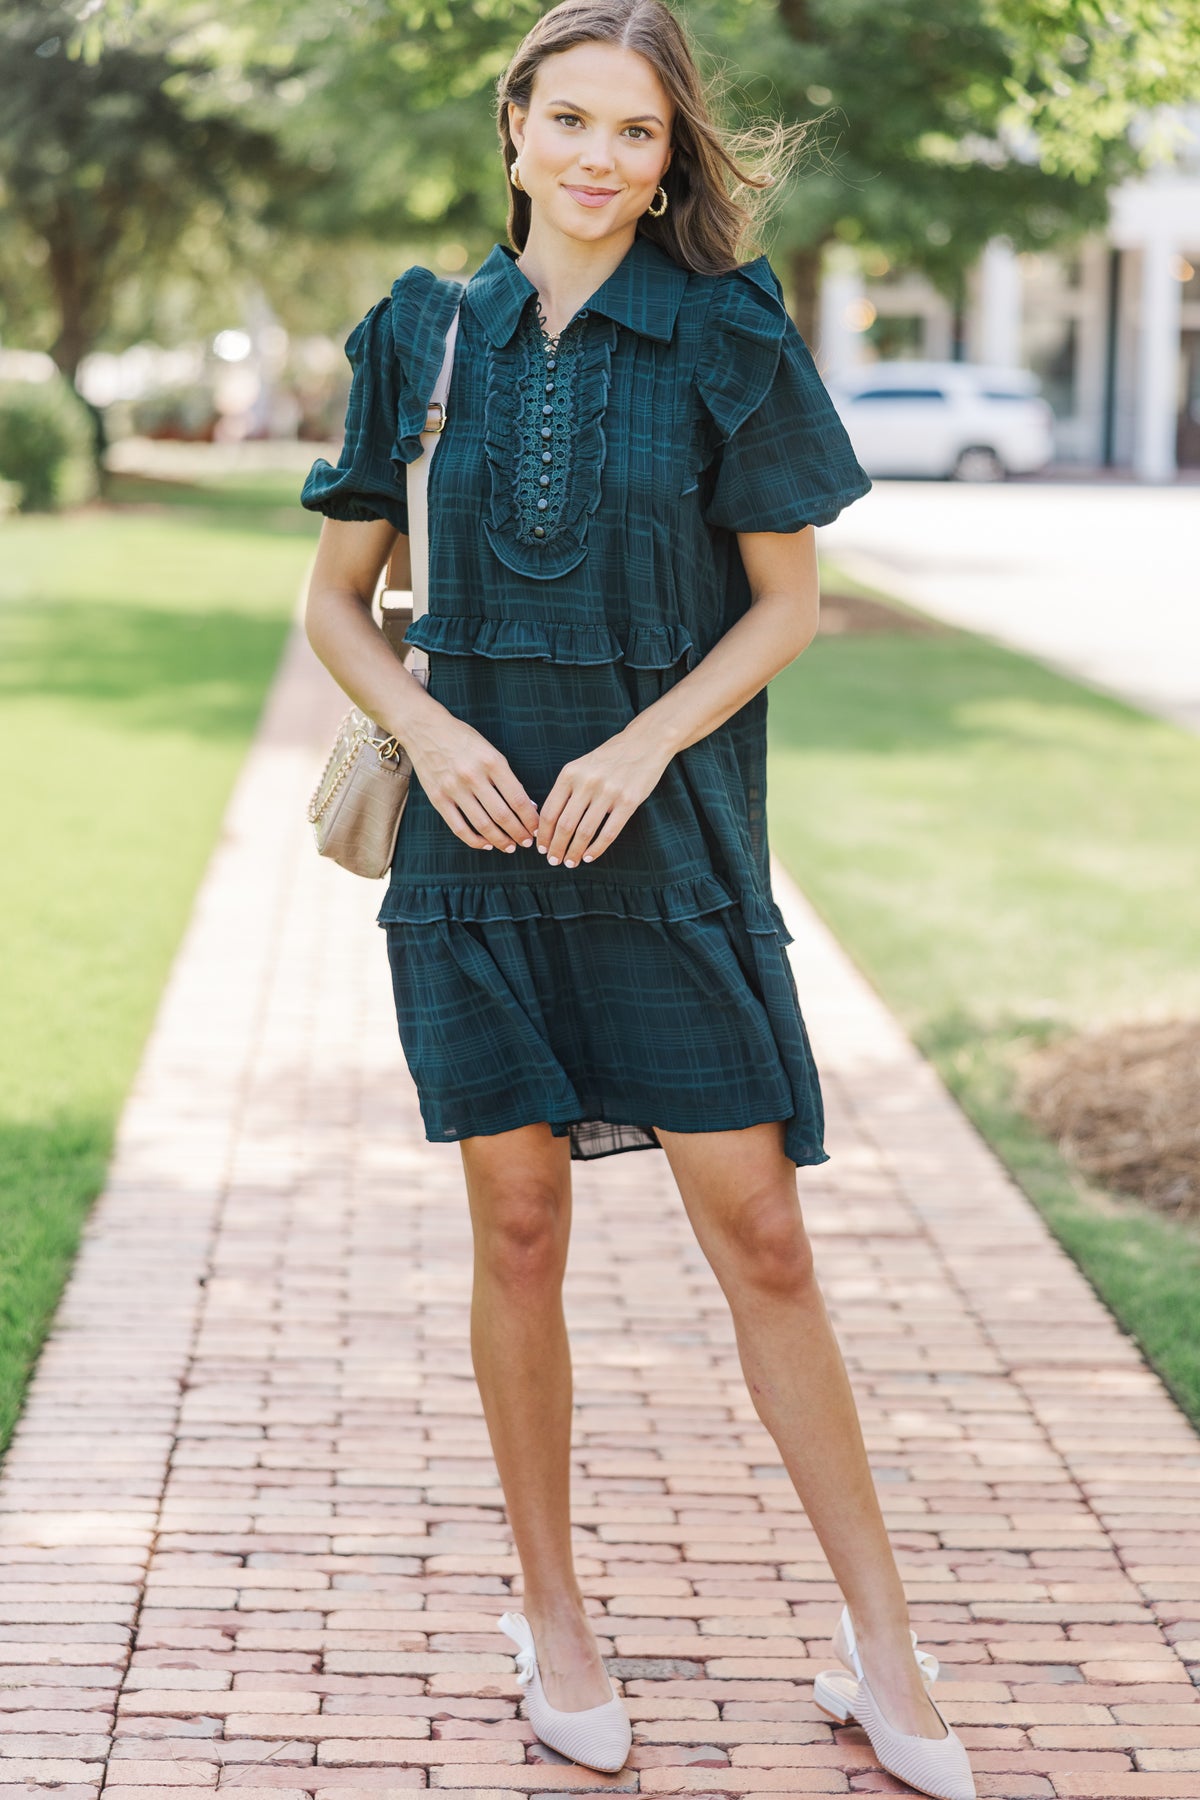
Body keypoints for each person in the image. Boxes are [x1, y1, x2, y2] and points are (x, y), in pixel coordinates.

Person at [301, 4, 975, 1796]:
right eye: (574, 121)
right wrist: (432, 733)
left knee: (760, 1228)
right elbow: (332, 607)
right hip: (477, 842)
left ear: (671, 160)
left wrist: (644, 747)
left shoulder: (725, 334)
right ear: (514, 128)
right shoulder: (420, 333)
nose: (604, 159)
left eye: (641, 135)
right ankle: (554, 1608)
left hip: (663, 843)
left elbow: (786, 605)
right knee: (517, 1226)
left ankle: (879, 1645)